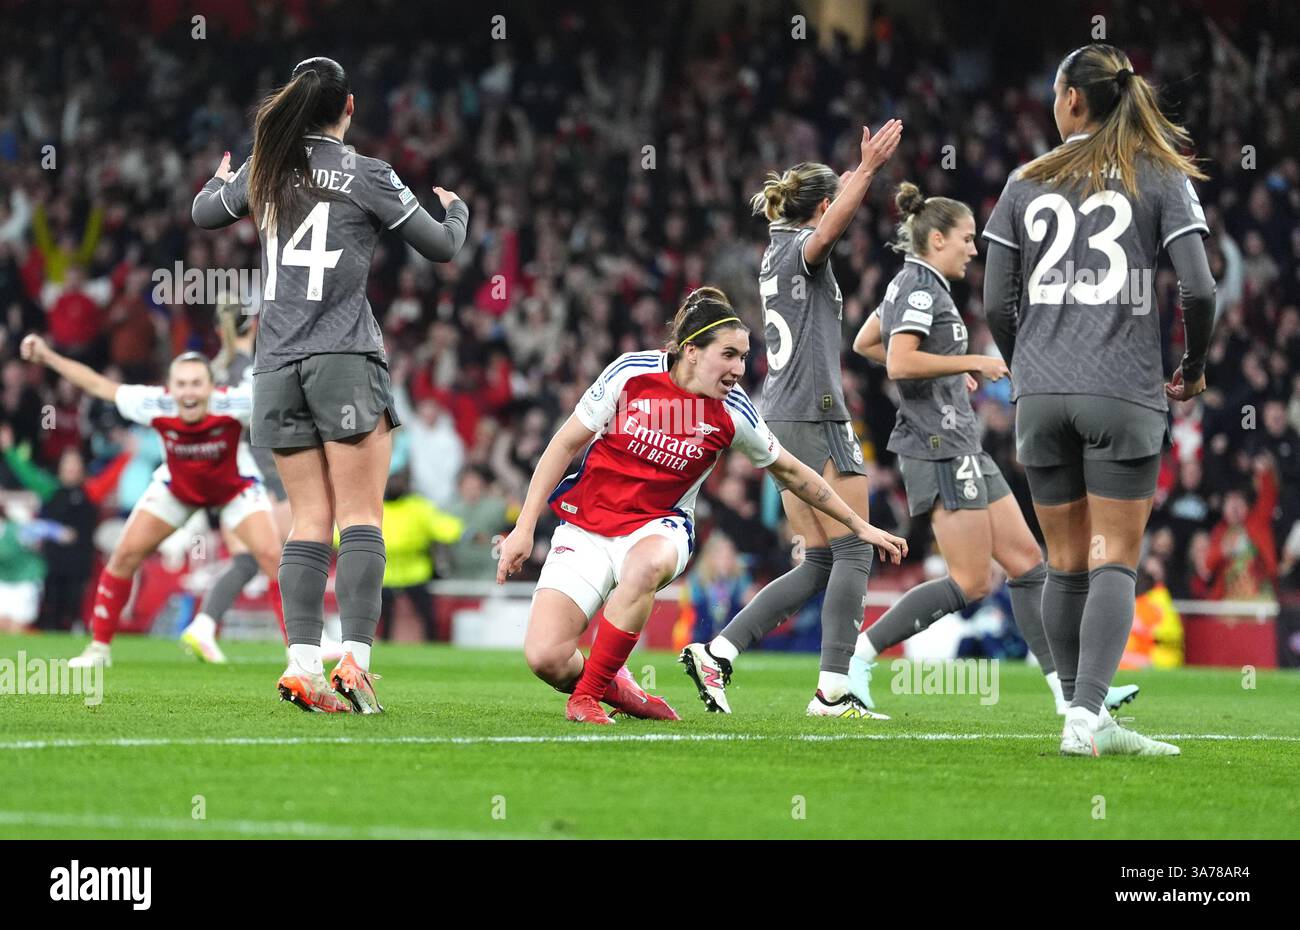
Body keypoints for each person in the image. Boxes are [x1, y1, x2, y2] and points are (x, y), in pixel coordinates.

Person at [191, 57, 469, 713]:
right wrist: (457, 213)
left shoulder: (265, 172)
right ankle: (357, 663)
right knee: (360, 518)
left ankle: (302, 666)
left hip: (275, 367)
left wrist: (220, 177)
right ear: (348, 110)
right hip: (344, 355)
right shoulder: (369, 174)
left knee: (307, 523)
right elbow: (442, 249)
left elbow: (204, 213)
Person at [497, 287, 907, 725]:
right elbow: (564, 444)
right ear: (691, 351)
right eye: (728, 355)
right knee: (547, 657)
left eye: (745, 357)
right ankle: (625, 693)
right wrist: (524, 528)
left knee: (642, 569)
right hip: (587, 526)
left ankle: (586, 698)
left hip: (659, 526)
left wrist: (858, 525)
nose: (739, 368)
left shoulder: (734, 413)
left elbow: (793, 472)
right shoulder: (630, 373)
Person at [982, 43, 1216, 756]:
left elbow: (996, 300)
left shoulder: (1026, 179)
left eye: (1055, 94)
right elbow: (1200, 289)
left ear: (1072, 101)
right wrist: (1194, 365)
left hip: (1040, 395)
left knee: (1065, 561)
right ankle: (1087, 717)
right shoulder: (1159, 174)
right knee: (1114, 557)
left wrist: (1030, 363)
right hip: (1123, 390)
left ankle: (1083, 714)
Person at [847, 182, 1138, 717]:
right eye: (966, 239)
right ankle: (856, 662)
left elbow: (868, 343)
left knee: (1029, 565)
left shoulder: (916, 286)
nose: (974, 249)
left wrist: (941, 373)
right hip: (936, 447)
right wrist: (968, 363)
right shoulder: (918, 288)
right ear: (937, 239)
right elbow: (898, 362)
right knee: (971, 580)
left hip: (961, 443)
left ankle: (1071, 694)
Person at [680, 119, 905, 718]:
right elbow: (829, 231)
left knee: (822, 559)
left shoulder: (774, 254)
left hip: (784, 410)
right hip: (815, 409)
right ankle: (834, 689)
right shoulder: (802, 251)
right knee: (856, 548)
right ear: (825, 205)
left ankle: (718, 652)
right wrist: (870, 170)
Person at [19, 334, 285, 669]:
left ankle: (299, 656)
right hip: (177, 489)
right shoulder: (152, 402)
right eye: (182, 384)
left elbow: (288, 391)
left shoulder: (237, 401)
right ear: (169, 388)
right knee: (124, 556)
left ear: (211, 386)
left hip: (233, 488)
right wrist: (48, 356)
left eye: (196, 384)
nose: (189, 392)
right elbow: (98, 385)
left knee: (273, 558)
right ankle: (99, 650)